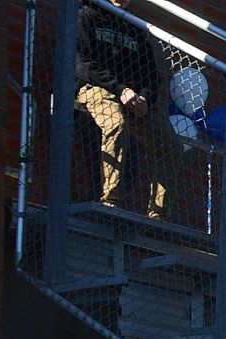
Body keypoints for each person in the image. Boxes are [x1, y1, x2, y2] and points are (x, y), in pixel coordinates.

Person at [74, 0, 179, 217]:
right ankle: (110, 202)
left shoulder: (134, 26)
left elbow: (150, 73)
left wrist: (144, 97)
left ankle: (158, 215)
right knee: (116, 124)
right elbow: (83, 65)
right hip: (95, 87)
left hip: (132, 97)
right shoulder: (87, 15)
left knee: (171, 145)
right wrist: (120, 89)